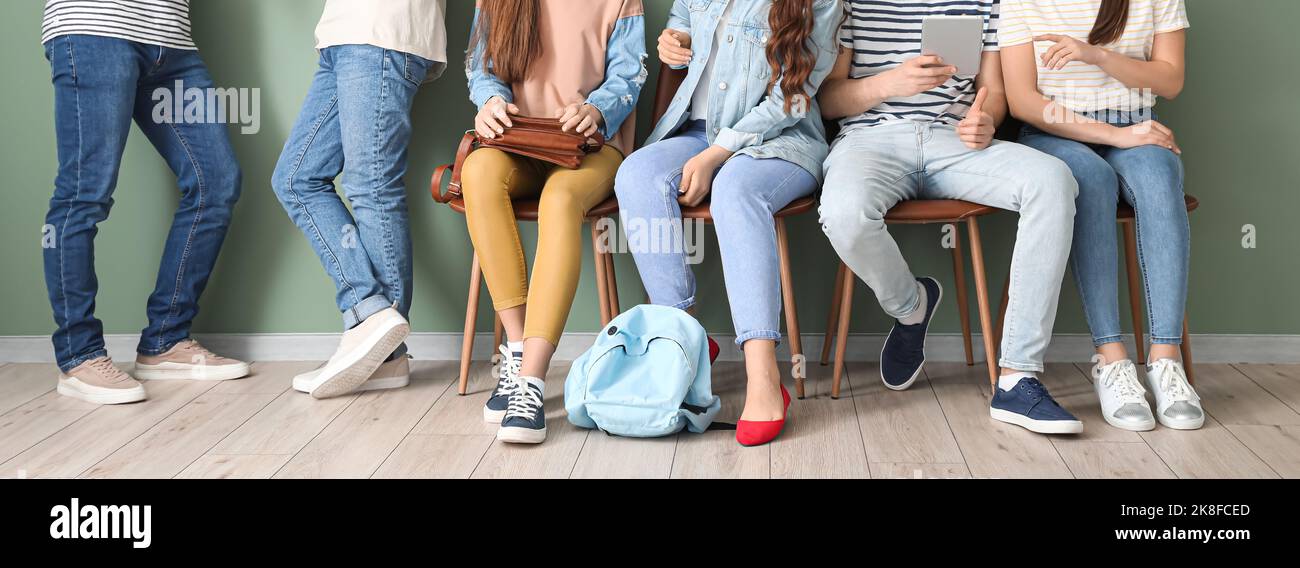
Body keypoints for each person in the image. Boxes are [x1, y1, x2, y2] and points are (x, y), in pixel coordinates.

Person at [817, 0, 1085, 434]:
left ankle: (1018, 377)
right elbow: (829, 100)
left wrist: (985, 120)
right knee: (843, 212)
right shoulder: (852, 4)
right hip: (871, 140)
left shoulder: (985, 3)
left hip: (956, 142)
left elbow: (993, 91)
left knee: (1053, 180)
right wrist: (888, 83)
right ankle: (910, 307)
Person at [615, 0, 842, 447]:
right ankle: (682, 344)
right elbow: (681, 26)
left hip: (783, 138)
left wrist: (718, 153)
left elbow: (796, 96)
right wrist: (674, 42)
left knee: (735, 190)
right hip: (697, 131)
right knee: (636, 175)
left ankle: (763, 377)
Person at [1001, 0, 1202, 431]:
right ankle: (1111, 361)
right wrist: (1113, 136)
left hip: (1136, 123)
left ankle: (1166, 361)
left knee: (1160, 175)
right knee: (1090, 178)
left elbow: (1170, 79)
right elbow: (1022, 101)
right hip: (1053, 132)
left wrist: (1097, 55)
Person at [41, 0, 249, 405]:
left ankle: (165, 341)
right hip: (94, 28)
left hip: (170, 40)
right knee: (84, 193)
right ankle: (78, 354)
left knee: (216, 182)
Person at [462, 0, 646, 445]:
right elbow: (481, 67)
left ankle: (532, 383)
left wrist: (597, 109)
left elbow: (629, 75)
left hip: (591, 148)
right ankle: (519, 351)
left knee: (560, 198)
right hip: (518, 142)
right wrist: (490, 100)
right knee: (476, 173)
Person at [271, 0, 447, 399]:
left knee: (372, 185)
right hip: (345, 32)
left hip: (379, 28)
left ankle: (375, 330)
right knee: (296, 179)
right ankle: (383, 347)